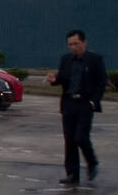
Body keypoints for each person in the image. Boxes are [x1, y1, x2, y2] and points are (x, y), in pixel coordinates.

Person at [45, 29, 106, 185]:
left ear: (84, 43)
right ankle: (72, 174)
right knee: (70, 140)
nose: (73, 47)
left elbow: (101, 82)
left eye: (76, 44)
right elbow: (62, 79)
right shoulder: (65, 60)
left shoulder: (95, 60)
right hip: (68, 104)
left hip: (85, 103)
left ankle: (92, 162)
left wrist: (94, 101)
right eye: (70, 44)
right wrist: (54, 80)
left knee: (81, 137)